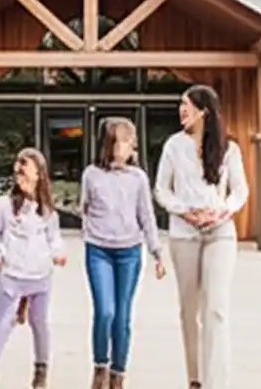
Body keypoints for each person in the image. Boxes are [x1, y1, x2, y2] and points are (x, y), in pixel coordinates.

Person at [153, 85, 250, 389]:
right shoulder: (173, 146)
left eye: (186, 105)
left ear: (203, 110)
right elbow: (161, 189)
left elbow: (241, 191)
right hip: (184, 235)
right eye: (180, 104)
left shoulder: (229, 149)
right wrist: (184, 211)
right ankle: (194, 379)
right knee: (189, 309)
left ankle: (216, 382)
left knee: (216, 308)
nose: (180, 110)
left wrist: (222, 211)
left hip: (220, 233)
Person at [82, 116, 166, 389]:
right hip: (99, 251)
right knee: (105, 312)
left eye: (132, 141)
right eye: (126, 140)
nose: (131, 146)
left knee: (123, 316)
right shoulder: (91, 175)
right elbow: (85, 208)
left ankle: (118, 374)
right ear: (110, 144)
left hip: (129, 253)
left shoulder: (138, 178)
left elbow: (146, 216)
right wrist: (93, 233)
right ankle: (100, 367)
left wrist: (157, 252)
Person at [0, 147, 67, 389]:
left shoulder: (47, 210)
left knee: (40, 323)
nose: (19, 169)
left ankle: (41, 371)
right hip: (11, 274)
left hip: (40, 275)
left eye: (25, 165)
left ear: (39, 173)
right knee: (3, 322)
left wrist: (58, 254)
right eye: (17, 165)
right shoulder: (3, 206)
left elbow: (54, 239)